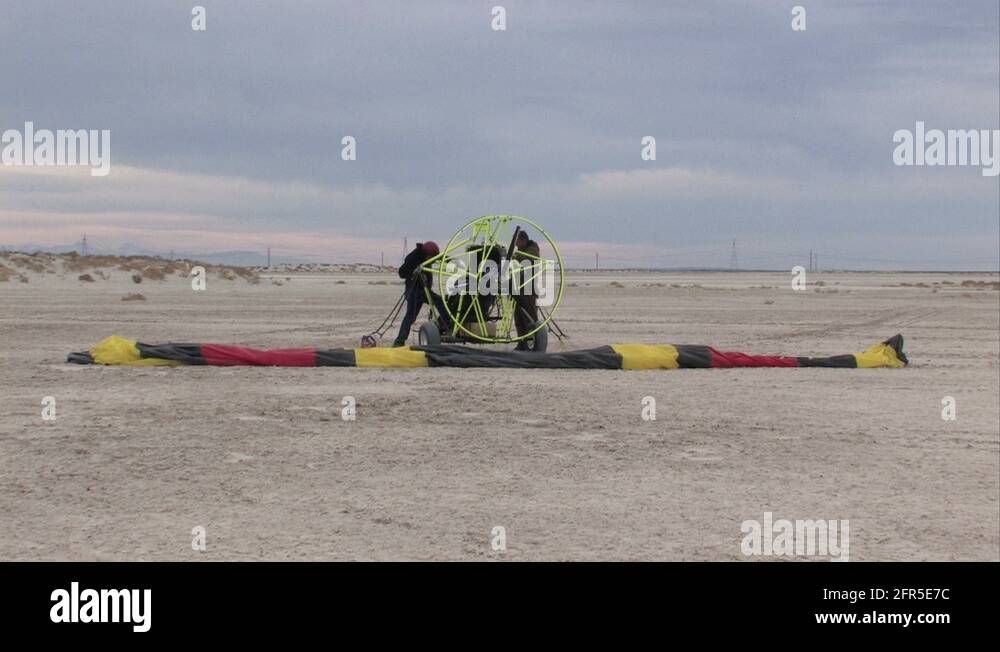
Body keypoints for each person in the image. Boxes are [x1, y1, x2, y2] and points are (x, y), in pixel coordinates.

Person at [393, 241, 447, 347]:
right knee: (411, 316)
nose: (431, 259)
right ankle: (399, 341)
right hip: (414, 291)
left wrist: (447, 259)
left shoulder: (425, 256)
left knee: (411, 316)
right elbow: (401, 272)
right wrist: (413, 272)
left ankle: (399, 341)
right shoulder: (413, 258)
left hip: (423, 290)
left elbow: (438, 259)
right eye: (430, 257)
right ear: (426, 254)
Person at [511, 230, 541, 350]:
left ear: (523, 240)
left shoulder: (533, 249)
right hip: (519, 290)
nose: (516, 245)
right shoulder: (522, 251)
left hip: (528, 291)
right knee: (519, 319)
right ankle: (522, 343)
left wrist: (515, 256)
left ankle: (535, 344)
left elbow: (527, 259)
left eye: (517, 242)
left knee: (530, 319)